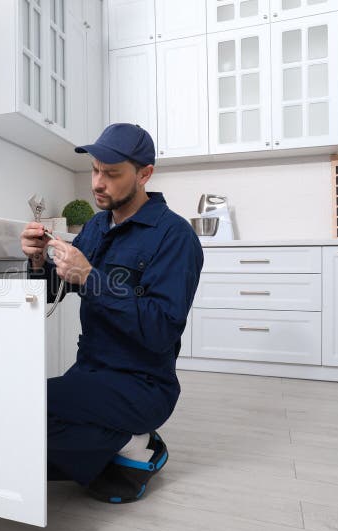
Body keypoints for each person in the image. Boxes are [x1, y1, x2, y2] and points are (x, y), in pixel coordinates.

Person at [20, 123, 203, 503]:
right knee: (20, 434)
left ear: (144, 174)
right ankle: (128, 447)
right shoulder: (97, 227)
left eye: (112, 174)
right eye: (95, 170)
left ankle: (129, 440)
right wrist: (38, 261)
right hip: (90, 372)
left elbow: (160, 330)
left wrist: (91, 278)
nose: (97, 183)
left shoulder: (175, 236)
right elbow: (52, 293)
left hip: (143, 385)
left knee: (24, 410)